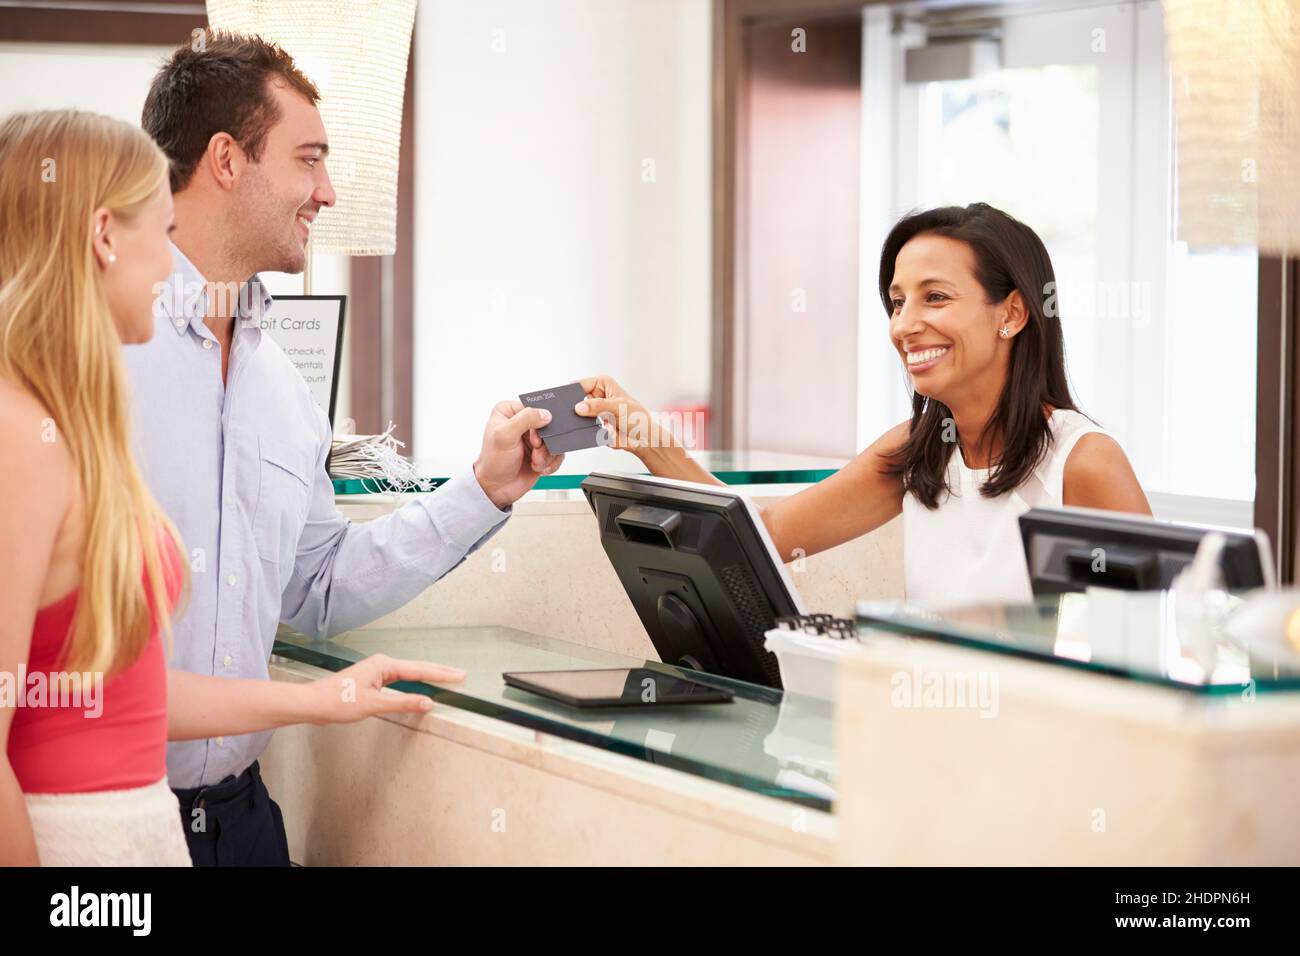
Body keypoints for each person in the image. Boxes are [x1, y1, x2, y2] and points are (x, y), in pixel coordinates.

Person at [0, 109, 473, 866]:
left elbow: (135, 693)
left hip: (172, 832)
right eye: (159, 234)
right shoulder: (21, 432)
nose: (169, 272)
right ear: (101, 237)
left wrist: (321, 700)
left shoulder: (98, 416)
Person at [572, 203, 1150, 607]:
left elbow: (1154, 645)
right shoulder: (917, 452)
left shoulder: (1082, 462)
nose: (906, 325)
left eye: (936, 298)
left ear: (1013, 314)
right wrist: (648, 438)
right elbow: (759, 536)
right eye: (897, 303)